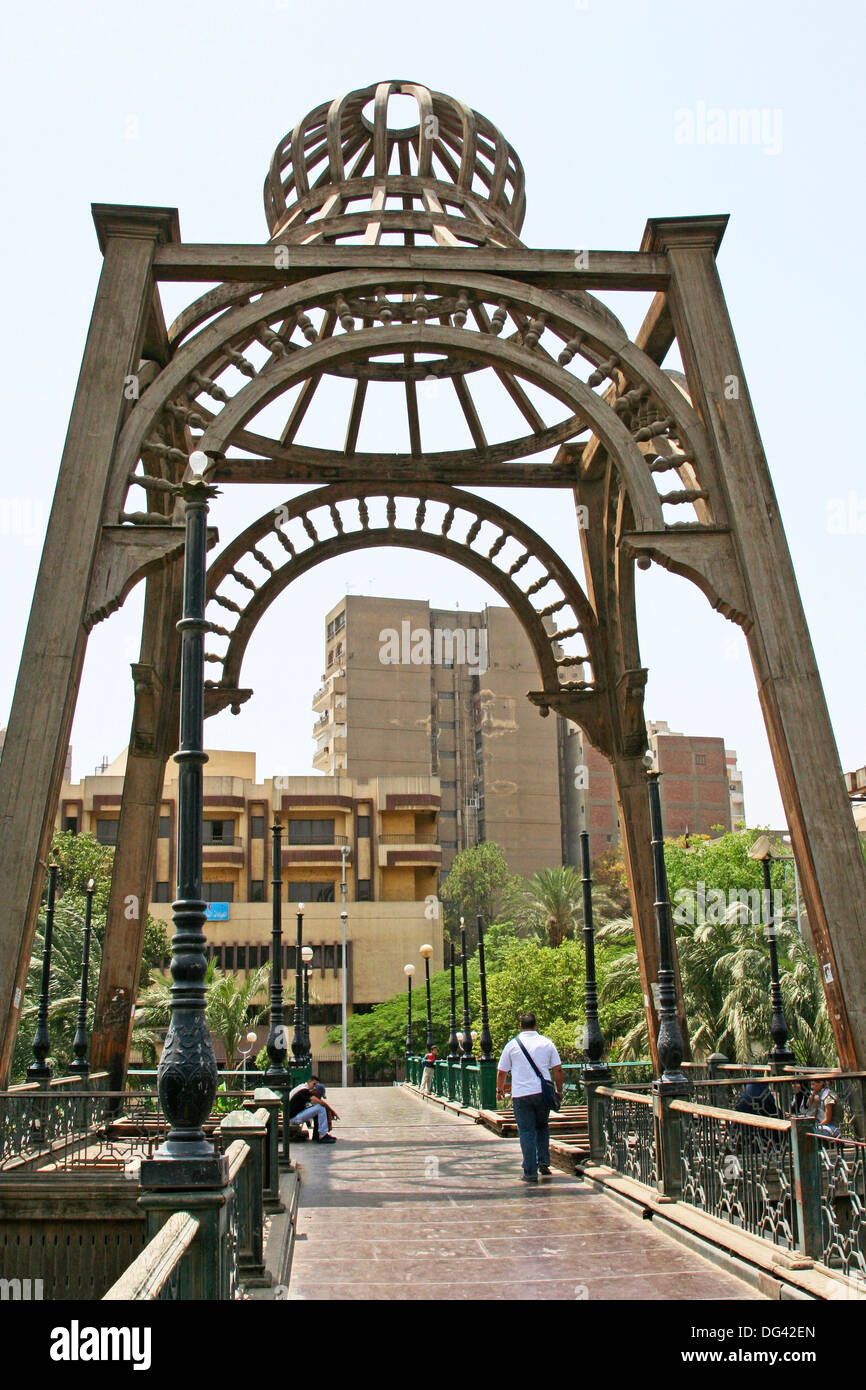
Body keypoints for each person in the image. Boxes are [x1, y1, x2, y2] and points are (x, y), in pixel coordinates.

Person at [496, 1013, 563, 1184]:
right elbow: (558, 1070)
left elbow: (501, 1071)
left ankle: (530, 1172)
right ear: (536, 1025)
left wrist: (500, 1090)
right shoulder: (547, 1043)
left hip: (521, 1094)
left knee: (526, 1131)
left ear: (520, 1026)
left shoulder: (512, 1045)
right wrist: (559, 1091)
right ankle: (544, 1162)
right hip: (542, 1093)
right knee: (542, 1127)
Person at [289, 1076, 340, 1143]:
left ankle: (316, 1135)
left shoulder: (304, 1089)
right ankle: (322, 1135)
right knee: (320, 1108)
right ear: (309, 1082)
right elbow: (321, 1103)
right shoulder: (304, 1091)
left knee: (317, 1108)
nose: (314, 1087)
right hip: (293, 1118)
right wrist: (332, 1112)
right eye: (314, 1084)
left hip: (294, 1116)